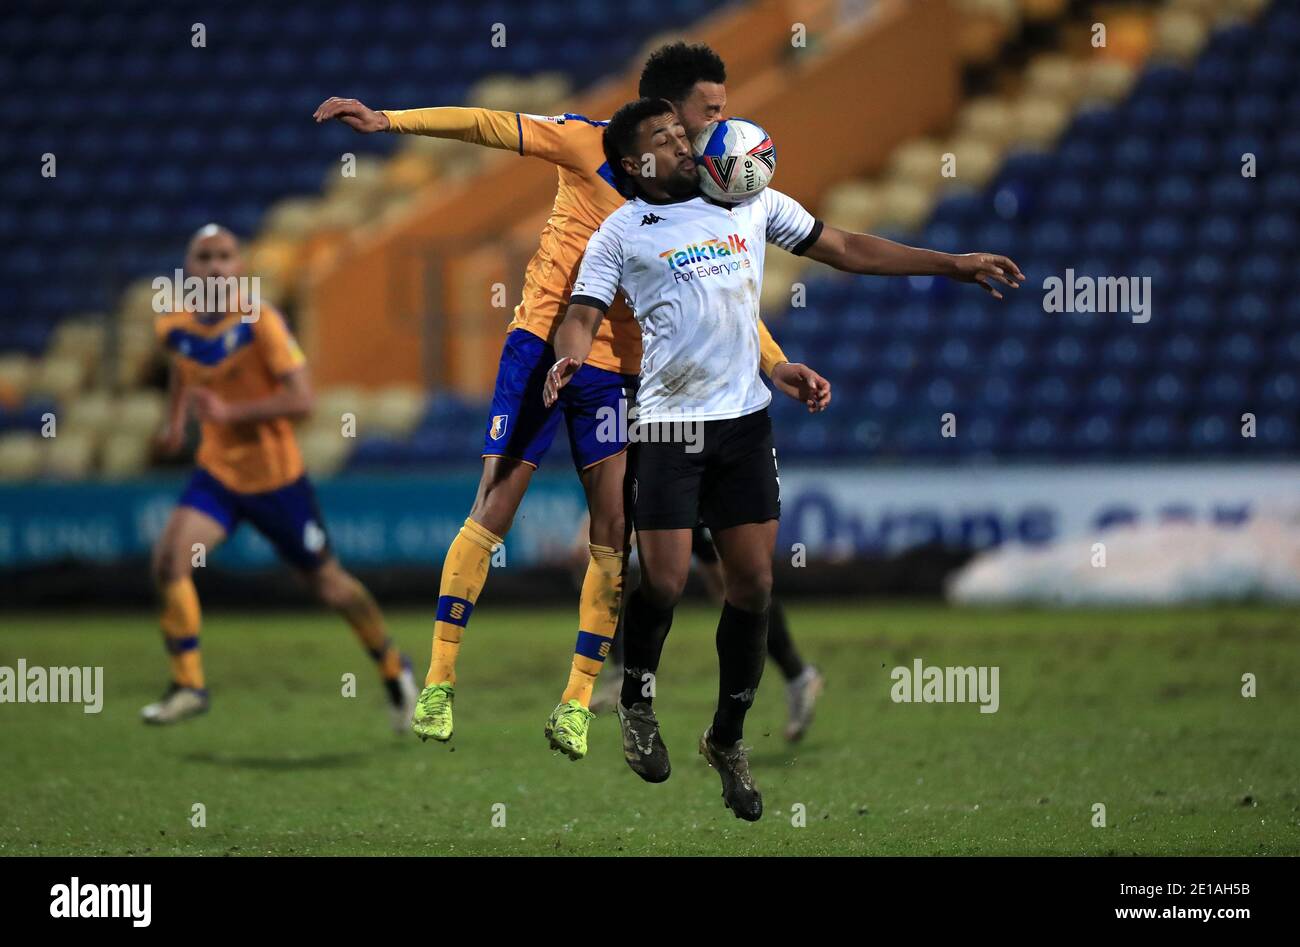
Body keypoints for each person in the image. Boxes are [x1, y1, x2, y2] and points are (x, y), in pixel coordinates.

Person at [314, 75, 827, 760]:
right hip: (542, 346)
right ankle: (441, 680)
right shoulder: (586, 143)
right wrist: (389, 119)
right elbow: (488, 125)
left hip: (627, 376)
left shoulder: (695, 198)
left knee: (636, 530)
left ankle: (586, 697)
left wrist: (772, 363)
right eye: (697, 115)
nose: (702, 130)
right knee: (505, 507)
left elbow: (723, 299)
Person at [547, 98, 1022, 819]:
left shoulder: (745, 198)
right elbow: (580, 312)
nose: (682, 141)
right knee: (668, 580)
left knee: (754, 585)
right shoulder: (622, 230)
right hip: (669, 427)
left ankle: (727, 737)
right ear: (634, 162)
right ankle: (637, 700)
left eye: (683, 131)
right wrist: (570, 358)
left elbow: (846, 247)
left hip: (742, 426)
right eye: (663, 138)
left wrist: (950, 263)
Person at [145, 224, 416, 731]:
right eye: (204, 257)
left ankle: (394, 667)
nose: (215, 266)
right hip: (218, 476)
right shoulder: (174, 326)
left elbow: (302, 400)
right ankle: (189, 686)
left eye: (225, 256)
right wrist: (174, 421)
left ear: (240, 266)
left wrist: (229, 412)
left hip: (277, 482)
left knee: (330, 585)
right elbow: (184, 368)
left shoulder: (260, 322)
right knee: (169, 561)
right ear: (189, 268)